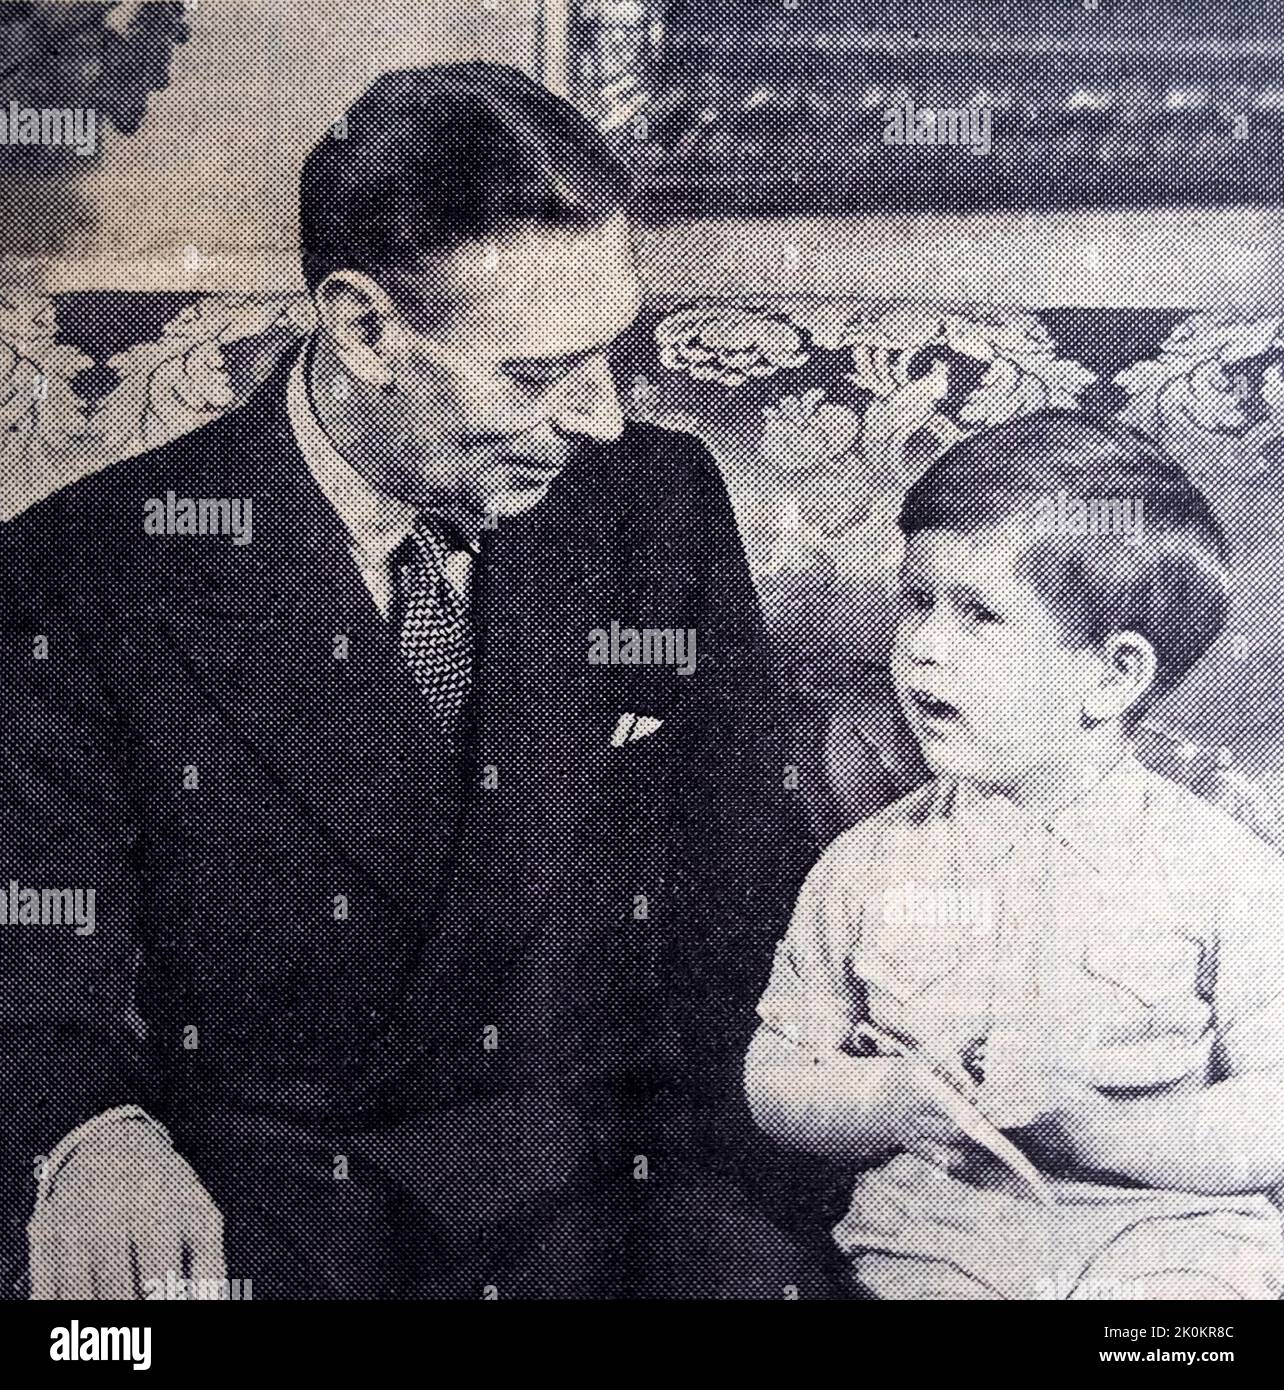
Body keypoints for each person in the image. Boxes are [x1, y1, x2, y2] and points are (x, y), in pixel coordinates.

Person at [0, 63, 828, 1299]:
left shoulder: (657, 504)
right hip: (257, 1198)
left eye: (609, 354)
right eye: (538, 374)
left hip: (595, 1184)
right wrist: (92, 1132)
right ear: (364, 325)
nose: (600, 419)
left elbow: (745, 895)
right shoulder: (83, 566)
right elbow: (37, 934)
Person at [745, 409, 1284, 1300]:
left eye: (978, 616)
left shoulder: (1223, 868)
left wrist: (1102, 1135)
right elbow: (775, 1077)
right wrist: (885, 1104)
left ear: (1111, 678)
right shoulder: (865, 866)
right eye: (916, 601)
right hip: (938, 1238)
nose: (920, 646)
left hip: (1162, 1231)